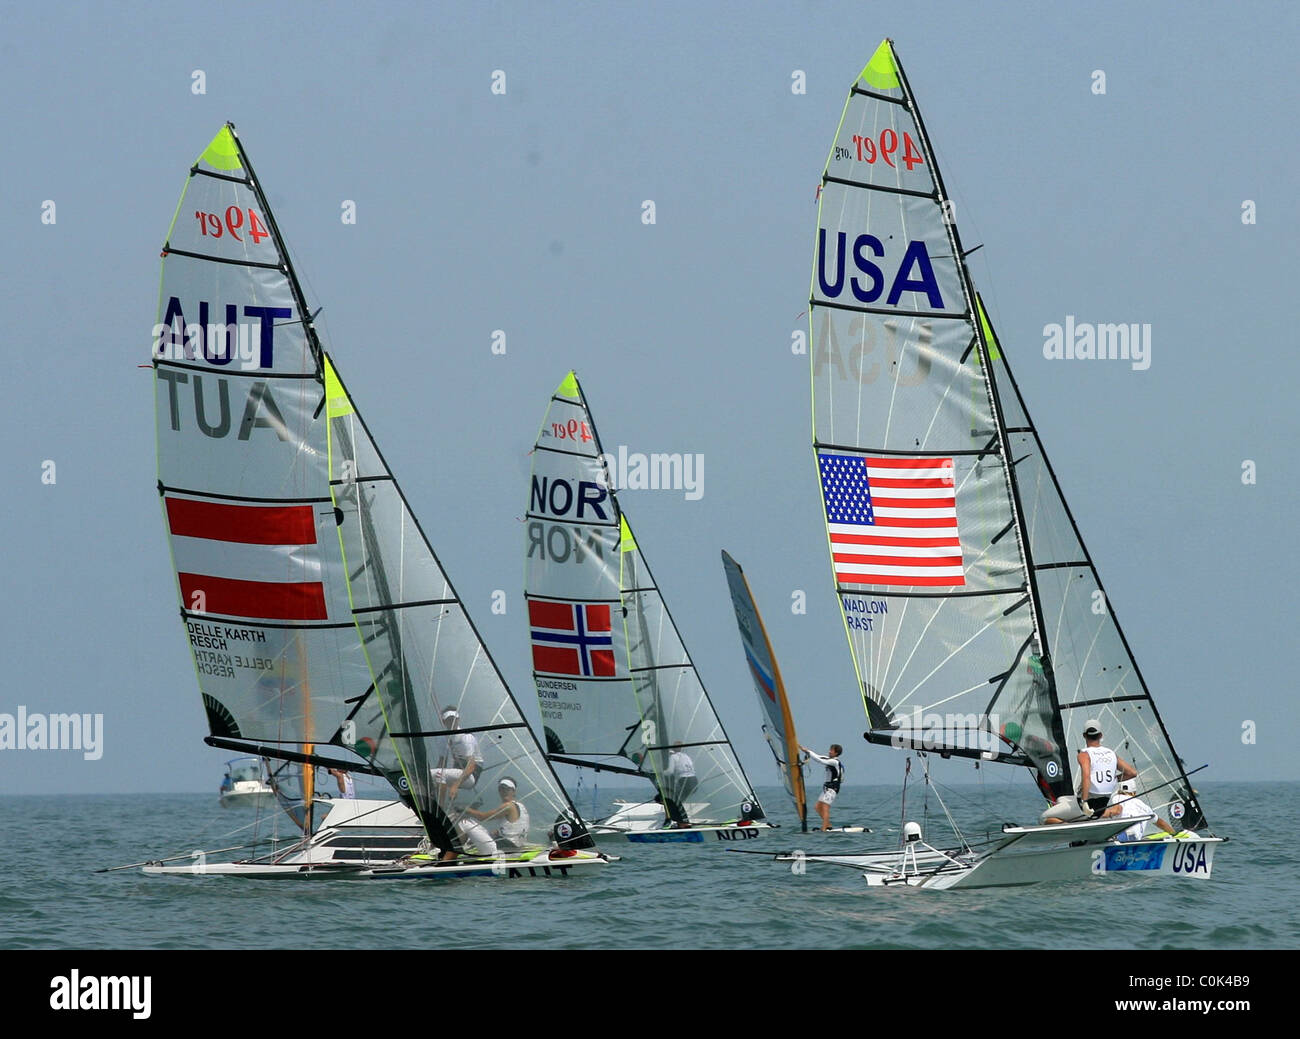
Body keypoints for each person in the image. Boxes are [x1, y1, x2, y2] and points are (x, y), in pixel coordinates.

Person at [1076, 719, 1136, 818]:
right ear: (1100, 735)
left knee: (1048, 816)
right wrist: (1114, 780)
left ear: (1084, 736)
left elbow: (1087, 777)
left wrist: (1084, 802)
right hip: (1101, 807)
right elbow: (1132, 773)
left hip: (1086, 805)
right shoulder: (1111, 754)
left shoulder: (1084, 754)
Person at [461, 776, 532, 851]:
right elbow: (517, 828)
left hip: (507, 847)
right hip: (517, 845)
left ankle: (458, 850)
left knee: (464, 823)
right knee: (483, 830)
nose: (504, 792)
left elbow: (482, 817)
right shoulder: (521, 806)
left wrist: (467, 810)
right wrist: (499, 832)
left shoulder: (508, 806)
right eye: (501, 789)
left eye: (507, 789)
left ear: (513, 791)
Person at [430, 707, 482, 802]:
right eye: (448, 720)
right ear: (444, 722)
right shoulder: (443, 739)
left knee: (439, 774)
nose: (452, 722)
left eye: (454, 719)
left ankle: (440, 808)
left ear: (458, 720)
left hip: (471, 776)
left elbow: (471, 766)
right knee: (429, 775)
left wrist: (455, 786)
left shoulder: (466, 738)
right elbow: (442, 763)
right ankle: (435, 804)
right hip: (459, 772)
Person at [1102, 779, 1177, 841]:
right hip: (1134, 838)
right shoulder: (1144, 806)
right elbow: (1160, 823)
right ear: (1134, 793)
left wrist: (1098, 815)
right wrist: (1174, 834)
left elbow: (1117, 810)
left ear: (1119, 790)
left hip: (1123, 835)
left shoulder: (1118, 797)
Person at [803, 744, 843, 831]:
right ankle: (828, 825)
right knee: (817, 807)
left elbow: (819, 760)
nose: (829, 751)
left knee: (825, 807)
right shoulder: (829, 759)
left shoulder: (835, 762)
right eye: (830, 749)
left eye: (831, 750)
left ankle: (824, 829)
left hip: (833, 788)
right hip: (827, 788)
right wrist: (806, 751)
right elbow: (819, 756)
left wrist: (808, 752)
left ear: (836, 753)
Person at [661, 744, 697, 827]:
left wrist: (660, 773)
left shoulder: (673, 757)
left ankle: (680, 822)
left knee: (672, 801)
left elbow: (670, 771)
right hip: (694, 780)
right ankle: (683, 819)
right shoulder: (686, 756)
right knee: (678, 800)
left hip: (685, 781)